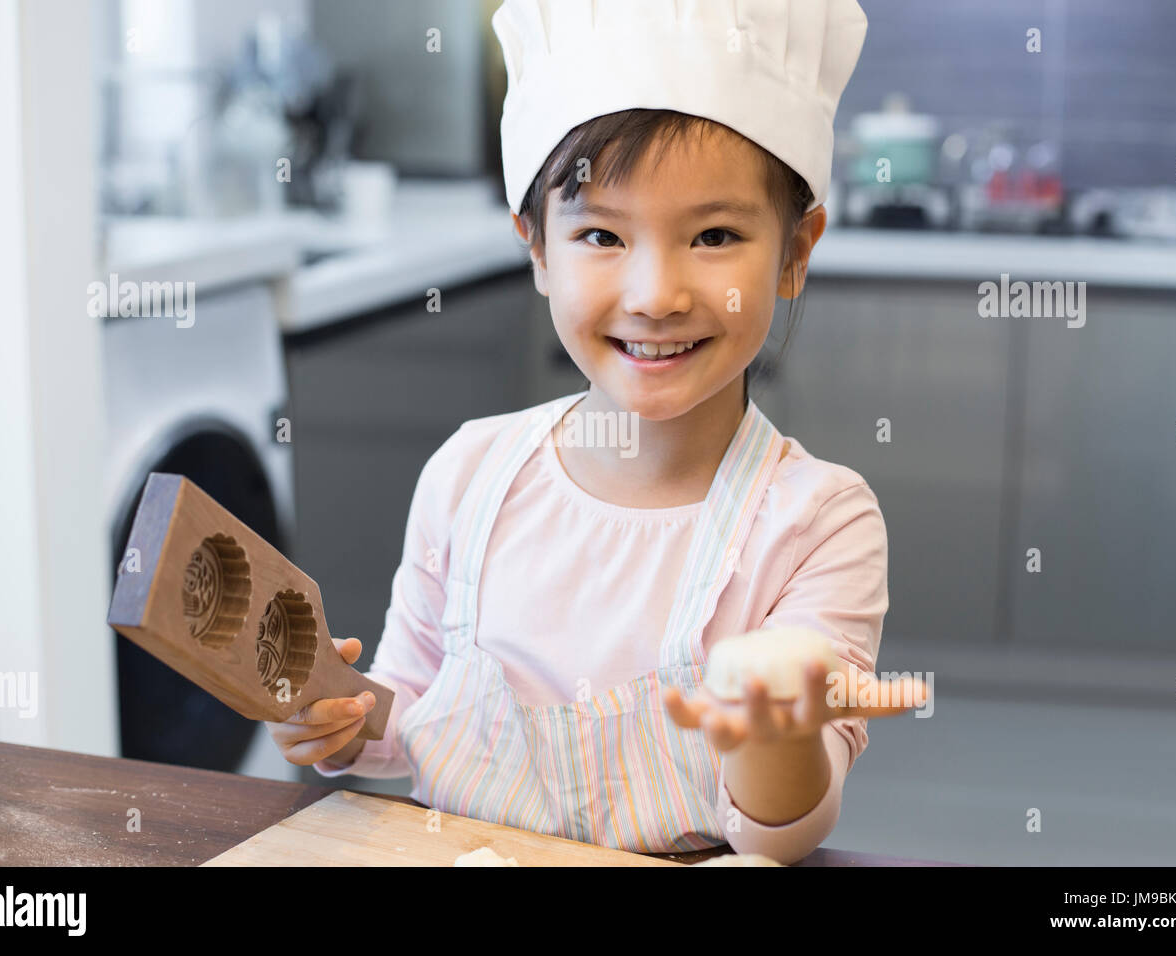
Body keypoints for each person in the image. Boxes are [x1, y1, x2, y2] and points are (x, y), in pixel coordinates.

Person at [266, 0, 928, 864]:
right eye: (602, 235)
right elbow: (411, 709)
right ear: (537, 248)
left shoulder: (818, 524)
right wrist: (343, 721)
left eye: (715, 234)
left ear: (796, 251)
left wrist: (776, 733)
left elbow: (787, 832)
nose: (656, 293)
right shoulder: (469, 476)